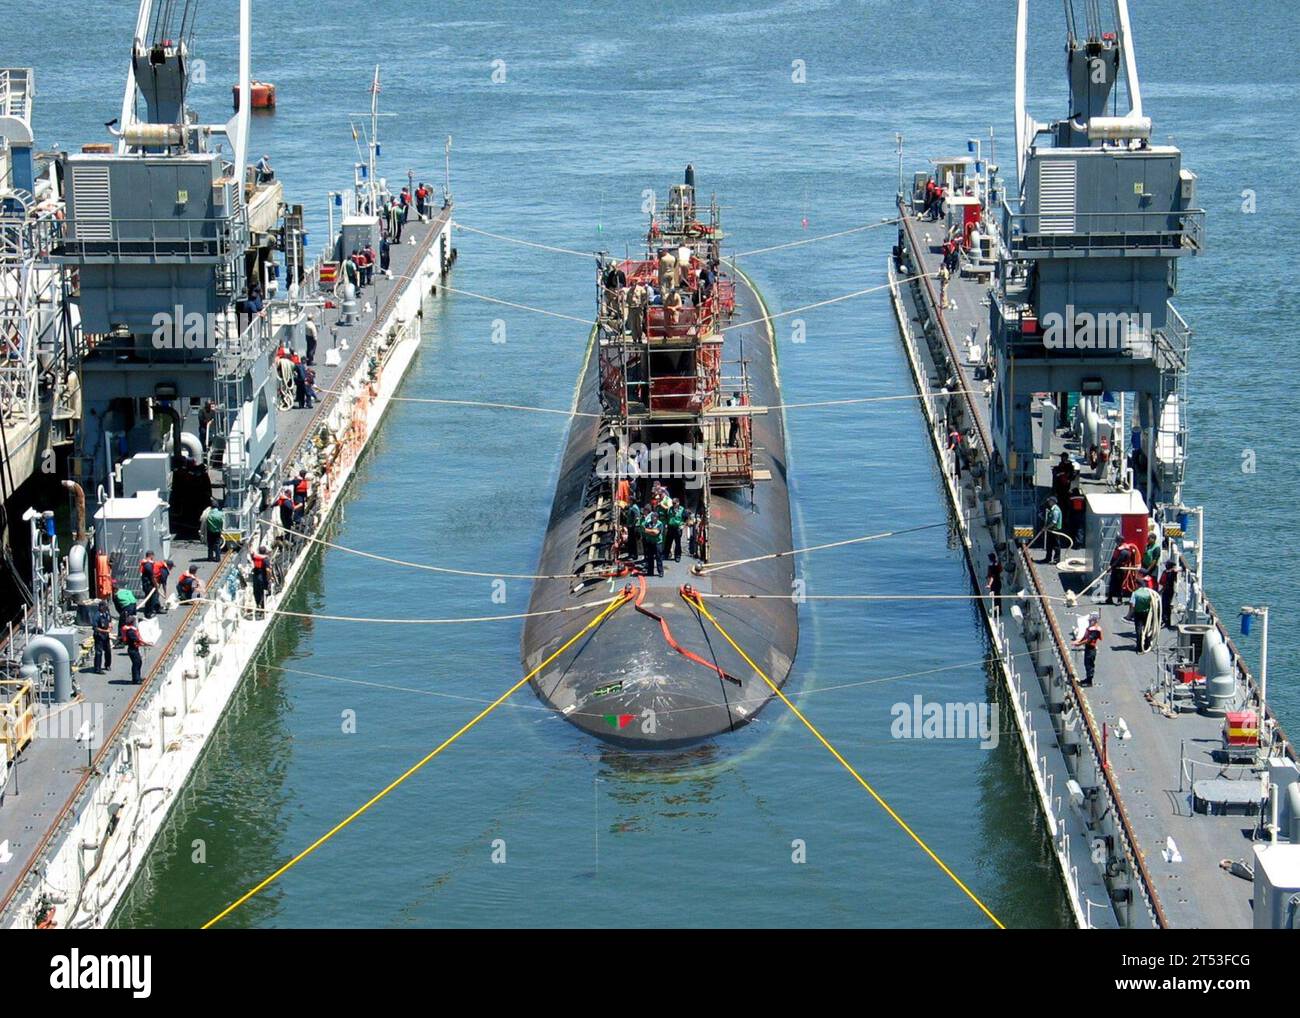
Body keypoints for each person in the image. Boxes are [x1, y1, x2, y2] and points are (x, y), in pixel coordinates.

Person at [1072, 613, 1103, 687]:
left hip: (1091, 650)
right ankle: (1087, 679)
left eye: (1091, 621)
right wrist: (1078, 641)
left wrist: (1078, 644)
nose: (1089, 622)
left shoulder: (1096, 631)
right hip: (1087, 648)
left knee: (1090, 665)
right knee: (1086, 664)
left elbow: (1089, 640)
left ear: (1095, 621)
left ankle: (1089, 681)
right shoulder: (1090, 628)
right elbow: (1085, 637)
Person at [1129, 584, 1157, 653]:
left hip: (1138, 613)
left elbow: (1132, 605)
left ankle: (1139, 647)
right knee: (1148, 629)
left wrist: (1130, 615)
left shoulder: (1135, 593)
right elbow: (1154, 603)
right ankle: (1147, 645)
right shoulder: (1149, 593)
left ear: (1137, 585)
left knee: (1139, 630)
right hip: (1148, 614)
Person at [641, 507, 664, 578]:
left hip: (657, 543)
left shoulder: (660, 524)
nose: (652, 518)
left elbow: (656, 533)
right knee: (650, 557)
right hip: (650, 542)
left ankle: (660, 572)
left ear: (657, 518)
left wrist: (649, 531)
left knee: (658, 557)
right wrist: (651, 531)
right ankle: (650, 572)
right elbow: (644, 530)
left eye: (653, 517)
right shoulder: (648, 523)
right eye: (651, 517)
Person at [250, 546, 273, 615]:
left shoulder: (255, 557)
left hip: (255, 577)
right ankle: (263, 608)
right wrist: (269, 578)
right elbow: (268, 570)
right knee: (264, 592)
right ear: (265, 551)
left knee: (256, 592)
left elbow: (251, 553)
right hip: (262, 577)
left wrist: (250, 546)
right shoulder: (266, 559)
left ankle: (258, 605)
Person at [92, 600, 113, 673]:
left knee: (108, 650)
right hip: (99, 636)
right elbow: (95, 628)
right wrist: (105, 631)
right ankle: (97, 668)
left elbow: (109, 620)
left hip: (106, 635)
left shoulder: (106, 613)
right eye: (104, 607)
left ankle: (107, 665)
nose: (106, 608)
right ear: (101, 607)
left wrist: (110, 625)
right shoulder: (97, 616)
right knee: (99, 652)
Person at [1042, 497, 1064, 565]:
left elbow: (1054, 522)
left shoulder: (1055, 511)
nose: (1048, 502)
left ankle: (1056, 560)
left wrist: (1046, 528)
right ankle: (1047, 558)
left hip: (1055, 530)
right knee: (1049, 545)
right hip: (1050, 530)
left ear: (1053, 502)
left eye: (1050, 501)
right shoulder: (1051, 509)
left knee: (1056, 545)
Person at [1159, 558, 1179, 629]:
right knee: (1167, 606)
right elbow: (1177, 570)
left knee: (1165, 606)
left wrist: (1160, 591)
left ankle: (1165, 621)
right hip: (1170, 590)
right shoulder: (1173, 572)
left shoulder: (1166, 573)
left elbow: (1162, 583)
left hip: (1167, 591)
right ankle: (1167, 622)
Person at [139, 550, 158, 618]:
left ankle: (148, 613)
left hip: (147, 584)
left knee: (150, 599)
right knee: (150, 599)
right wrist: (155, 585)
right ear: (151, 555)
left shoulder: (146, 564)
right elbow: (151, 576)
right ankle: (148, 613)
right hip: (148, 585)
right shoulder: (148, 565)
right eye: (153, 556)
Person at [985, 552, 1003, 617]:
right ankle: (999, 611)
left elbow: (992, 577)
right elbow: (1000, 570)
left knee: (995, 598)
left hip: (994, 584)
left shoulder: (991, 566)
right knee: (998, 597)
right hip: (998, 582)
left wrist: (989, 584)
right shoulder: (997, 564)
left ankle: (996, 612)